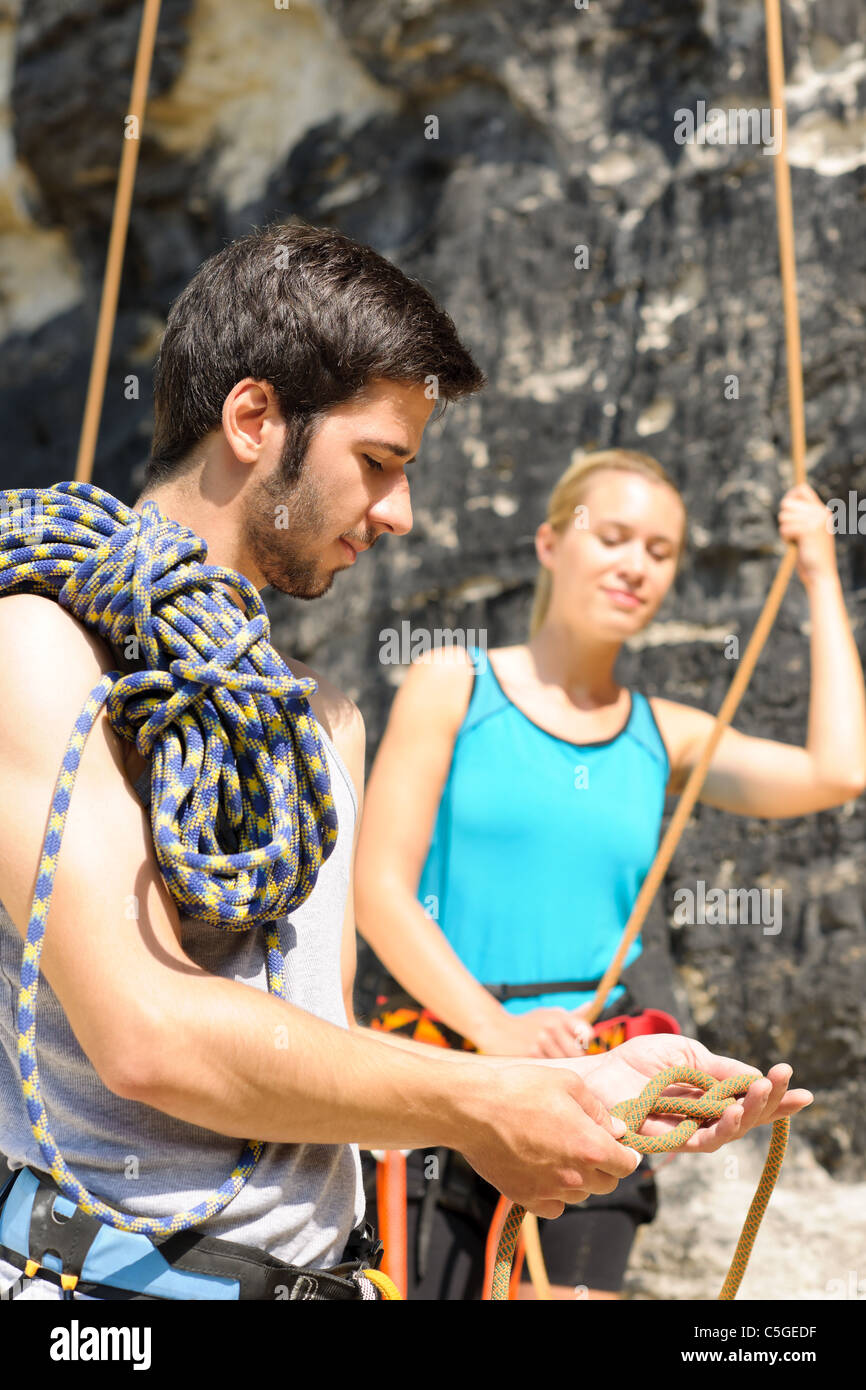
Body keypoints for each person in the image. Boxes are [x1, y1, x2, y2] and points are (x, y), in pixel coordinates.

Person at [0, 224, 812, 1302]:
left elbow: (318, 1047)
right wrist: (481, 1101)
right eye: (378, 462)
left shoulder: (323, 719)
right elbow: (146, 1031)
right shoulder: (42, 649)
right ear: (254, 419)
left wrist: (568, 1095)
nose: (400, 513)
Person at [354, 448, 866, 1300]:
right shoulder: (452, 684)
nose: (637, 565)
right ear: (552, 544)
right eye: (615, 537)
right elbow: (378, 892)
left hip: (599, 1087)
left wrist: (818, 571)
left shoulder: (665, 735)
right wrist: (498, 1032)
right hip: (444, 1076)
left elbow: (838, 770)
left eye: (661, 552)